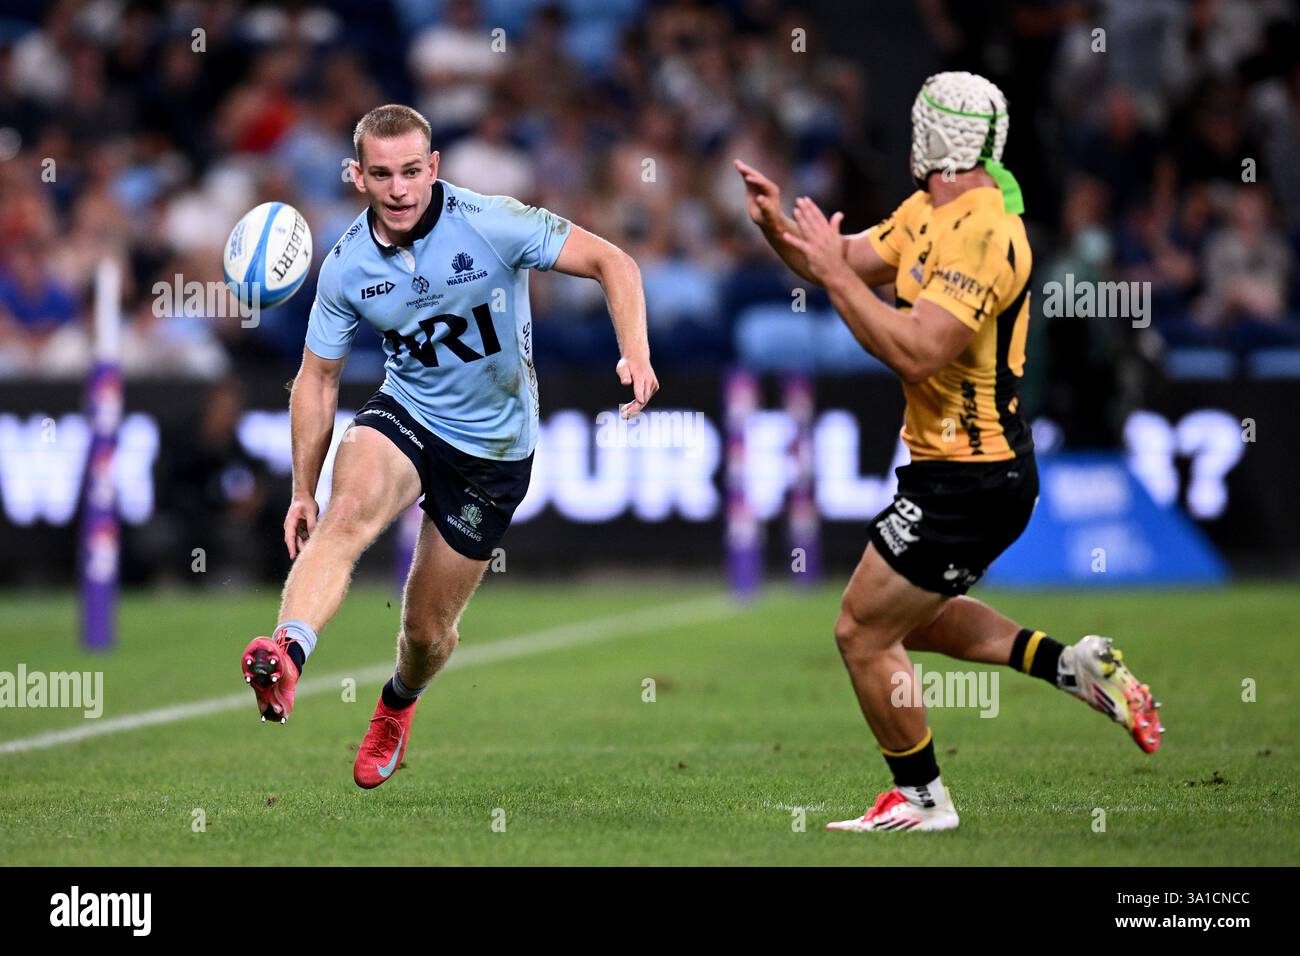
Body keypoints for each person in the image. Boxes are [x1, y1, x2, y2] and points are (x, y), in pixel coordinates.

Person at [737, 72, 1162, 832]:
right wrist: (779, 228)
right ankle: (1074, 665)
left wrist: (836, 277)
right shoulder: (922, 213)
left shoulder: (989, 232)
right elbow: (832, 260)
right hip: (954, 470)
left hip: (974, 476)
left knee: (861, 632)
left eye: (919, 124)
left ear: (937, 136)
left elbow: (920, 353)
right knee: (914, 622)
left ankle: (923, 797)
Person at [240, 104, 658, 789]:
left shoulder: (493, 223)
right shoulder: (346, 266)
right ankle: (287, 652)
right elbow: (317, 380)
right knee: (347, 517)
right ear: (358, 177)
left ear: (434, 167)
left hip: (493, 453)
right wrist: (300, 490)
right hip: (407, 414)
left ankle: (397, 705)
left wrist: (635, 355)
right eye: (382, 174)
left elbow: (614, 261)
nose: (400, 189)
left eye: (412, 171)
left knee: (427, 635)